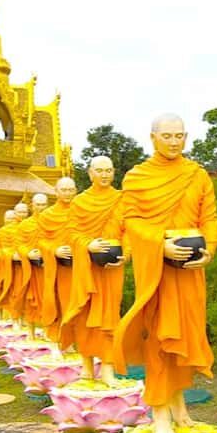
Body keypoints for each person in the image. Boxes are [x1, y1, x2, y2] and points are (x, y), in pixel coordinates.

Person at [113, 114, 217, 433]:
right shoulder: (138, 177)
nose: (174, 142)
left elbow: (210, 218)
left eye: (179, 136)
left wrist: (210, 248)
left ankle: (180, 410)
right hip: (157, 274)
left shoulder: (197, 175)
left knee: (183, 341)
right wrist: (160, 244)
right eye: (167, 136)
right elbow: (131, 221)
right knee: (160, 340)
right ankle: (159, 412)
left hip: (189, 273)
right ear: (153, 138)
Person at [63, 156, 129, 385]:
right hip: (87, 270)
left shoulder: (122, 200)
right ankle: (87, 365)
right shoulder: (80, 202)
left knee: (110, 317)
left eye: (109, 170)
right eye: (99, 170)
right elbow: (71, 233)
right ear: (90, 173)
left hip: (111, 269)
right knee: (84, 316)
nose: (104, 175)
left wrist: (125, 255)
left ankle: (108, 369)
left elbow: (129, 231)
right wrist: (87, 244)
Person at [35, 177, 77, 346]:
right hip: (58, 269)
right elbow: (40, 241)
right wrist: (55, 250)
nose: (67, 193)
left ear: (75, 191)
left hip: (80, 267)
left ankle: (76, 343)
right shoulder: (47, 215)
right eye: (64, 190)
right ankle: (56, 341)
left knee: (78, 305)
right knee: (58, 304)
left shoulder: (81, 212)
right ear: (56, 191)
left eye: (71, 190)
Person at [14, 195, 48, 334]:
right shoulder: (25, 225)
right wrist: (28, 254)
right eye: (38, 204)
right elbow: (19, 245)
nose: (41, 207)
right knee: (30, 300)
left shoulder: (52, 222)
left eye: (43, 204)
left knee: (50, 301)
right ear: (32, 206)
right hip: (31, 270)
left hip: (49, 269)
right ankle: (31, 332)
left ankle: (48, 332)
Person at [0, 209, 18, 315]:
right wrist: (6, 254)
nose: (10, 220)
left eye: (12, 218)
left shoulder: (19, 232)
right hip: (1, 266)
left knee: (14, 291)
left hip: (15, 266)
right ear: (4, 219)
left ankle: (14, 315)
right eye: (8, 218)